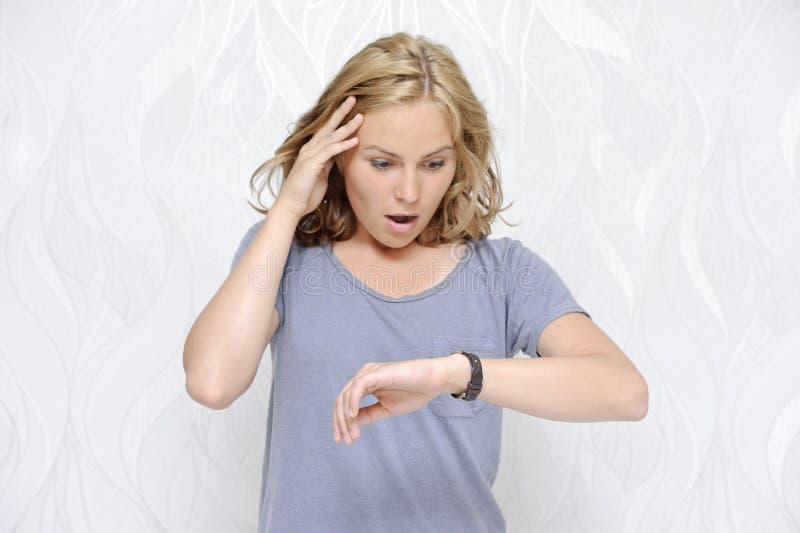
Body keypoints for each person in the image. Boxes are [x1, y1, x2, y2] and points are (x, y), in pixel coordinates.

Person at [183, 31, 648, 533]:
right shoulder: (285, 255)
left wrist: (453, 375)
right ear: (336, 152)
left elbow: (625, 392)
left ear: (459, 158)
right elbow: (212, 383)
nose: (408, 192)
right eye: (382, 163)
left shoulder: (504, 273)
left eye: (433, 164)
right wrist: (289, 207)